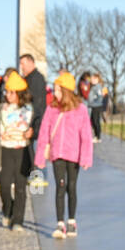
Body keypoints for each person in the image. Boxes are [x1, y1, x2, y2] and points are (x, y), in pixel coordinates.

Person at [34, 70, 93, 239]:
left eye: (58, 90)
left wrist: (86, 157)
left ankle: (72, 221)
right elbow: (44, 132)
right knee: (60, 187)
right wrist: (40, 158)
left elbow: (86, 135)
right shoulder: (52, 109)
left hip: (73, 155)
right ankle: (60, 223)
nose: (55, 93)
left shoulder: (80, 109)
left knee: (71, 187)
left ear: (66, 91)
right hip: (57, 154)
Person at [0, 71, 35, 231]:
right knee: (4, 185)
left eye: (11, 92)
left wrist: (32, 132)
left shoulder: (29, 109)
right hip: (6, 149)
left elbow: (36, 126)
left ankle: (18, 220)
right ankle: (8, 209)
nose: (7, 94)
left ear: (18, 92)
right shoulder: (1, 108)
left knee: (20, 186)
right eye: (6, 91)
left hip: (22, 150)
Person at [18, 53, 47, 185]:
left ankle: (38, 177)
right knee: (32, 150)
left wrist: (31, 121)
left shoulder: (36, 79)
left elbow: (36, 103)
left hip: (36, 119)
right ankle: (35, 176)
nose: (21, 67)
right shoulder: (29, 78)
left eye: (23, 64)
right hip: (33, 118)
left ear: (31, 62)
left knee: (36, 150)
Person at [85, 72, 108, 141]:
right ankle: (96, 136)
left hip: (97, 106)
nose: (92, 80)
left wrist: (93, 102)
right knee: (93, 120)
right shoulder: (93, 87)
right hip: (93, 106)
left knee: (96, 121)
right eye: (91, 79)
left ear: (97, 79)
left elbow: (100, 97)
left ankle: (98, 137)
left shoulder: (98, 87)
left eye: (93, 79)